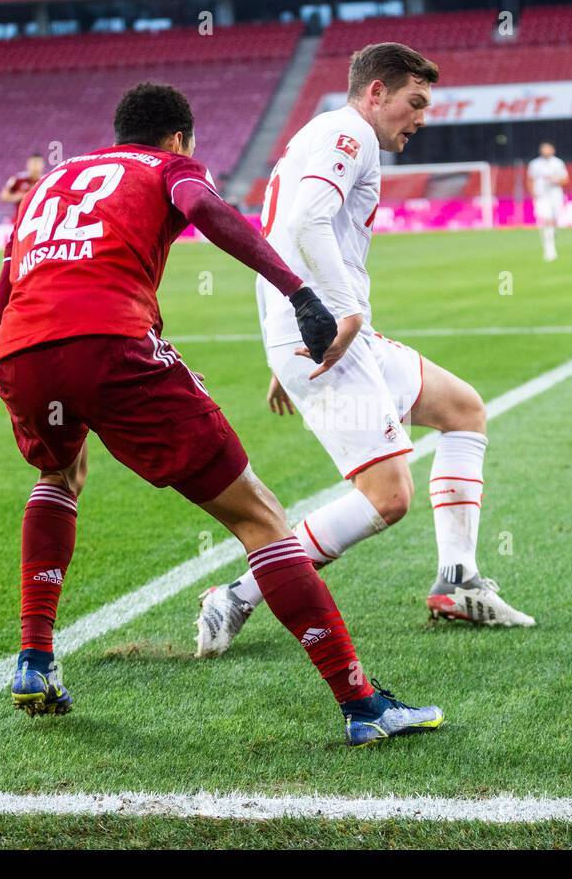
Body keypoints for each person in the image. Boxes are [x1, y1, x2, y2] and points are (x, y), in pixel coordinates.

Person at [0, 82, 444, 747]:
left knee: (59, 476)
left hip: (22, 351)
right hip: (113, 345)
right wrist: (299, 293)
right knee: (260, 518)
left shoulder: (49, 183)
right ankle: (362, 704)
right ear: (179, 138)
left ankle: (34, 656)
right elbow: (202, 206)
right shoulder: (169, 166)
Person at [194, 43, 535, 661]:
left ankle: (457, 581)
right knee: (389, 496)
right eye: (415, 102)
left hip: (320, 332)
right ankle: (237, 595)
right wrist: (336, 313)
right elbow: (303, 224)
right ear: (376, 92)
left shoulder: (324, 136)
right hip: (330, 335)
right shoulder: (348, 133)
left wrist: (285, 337)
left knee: (463, 410)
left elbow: (279, 235)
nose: (422, 117)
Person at [527, 141, 569, 262]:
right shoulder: (534, 164)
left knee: (553, 220)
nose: (546, 151)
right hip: (542, 196)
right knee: (546, 220)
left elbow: (565, 180)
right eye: (544, 149)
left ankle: (552, 234)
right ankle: (550, 250)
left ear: (553, 150)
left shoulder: (558, 163)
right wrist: (533, 192)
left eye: (548, 149)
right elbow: (530, 179)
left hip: (555, 195)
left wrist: (555, 180)